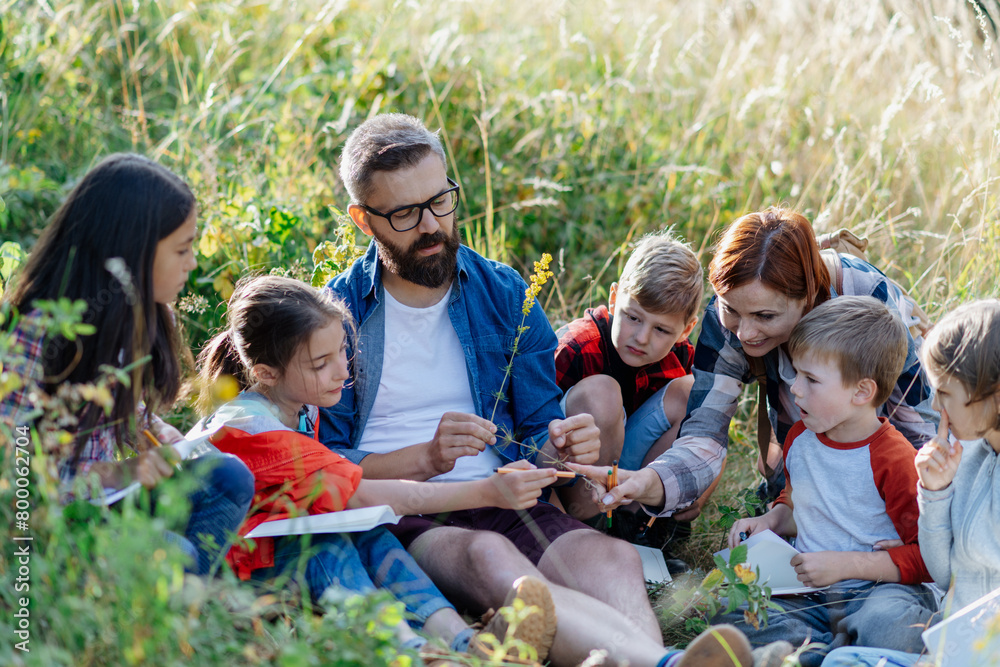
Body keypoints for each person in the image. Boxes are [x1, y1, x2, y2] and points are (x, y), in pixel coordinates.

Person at [318, 112, 753, 667]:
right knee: (491, 556)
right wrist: (426, 458)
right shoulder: (338, 314)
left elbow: (537, 435)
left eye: (440, 201)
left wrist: (562, 447)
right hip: (409, 514)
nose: (432, 226)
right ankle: (662, 663)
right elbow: (326, 463)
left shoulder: (503, 293)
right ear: (363, 219)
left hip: (508, 497)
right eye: (405, 213)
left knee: (615, 560)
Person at [191, 274, 561, 660]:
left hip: (269, 550)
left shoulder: (298, 406)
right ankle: (416, 654)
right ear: (266, 373)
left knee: (372, 536)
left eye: (342, 351)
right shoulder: (251, 427)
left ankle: (466, 645)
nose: (342, 371)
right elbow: (363, 495)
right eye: (321, 364)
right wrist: (486, 492)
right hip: (228, 575)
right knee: (325, 547)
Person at [573, 207, 938, 521]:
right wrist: (650, 482)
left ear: (807, 297)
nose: (745, 333)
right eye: (731, 309)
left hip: (885, 460)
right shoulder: (723, 322)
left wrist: (915, 509)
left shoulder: (867, 296)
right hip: (800, 453)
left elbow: (921, 430)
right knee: (788, 496)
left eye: (765, 316)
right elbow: (704, 437)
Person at [0, 153, 254, 576]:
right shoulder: (40, 333)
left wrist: (154, 430)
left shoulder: (134, 315)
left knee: (230, 478)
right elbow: (17, 475)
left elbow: (115, 403)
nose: (192, 262)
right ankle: (160, 597)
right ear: (131, 251)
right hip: (53, 524)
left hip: (107, 500)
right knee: (176, 555)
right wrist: (120, 473)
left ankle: (182, 596)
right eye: (182, 249)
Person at [713, 296, 936, 666]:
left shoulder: (894, 459)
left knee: (892, 626)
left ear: (861, 392)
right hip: (807, 592)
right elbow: (800, 505)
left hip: (877, 590)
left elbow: (927, 557)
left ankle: (822, 651)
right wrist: (771, 521)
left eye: (811, 379)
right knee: (730, 609)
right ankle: (826, 652)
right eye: (796, 373)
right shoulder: (801, 437)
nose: (795, 389)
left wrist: (846, 566)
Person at [822, 299, 1000, 666]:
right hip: (952, 643)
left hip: (982, 652)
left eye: (945, 393)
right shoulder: (968, 456)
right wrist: (935, 493)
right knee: (842, 657)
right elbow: (944, 574)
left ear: (993, 395)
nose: (935, 407)